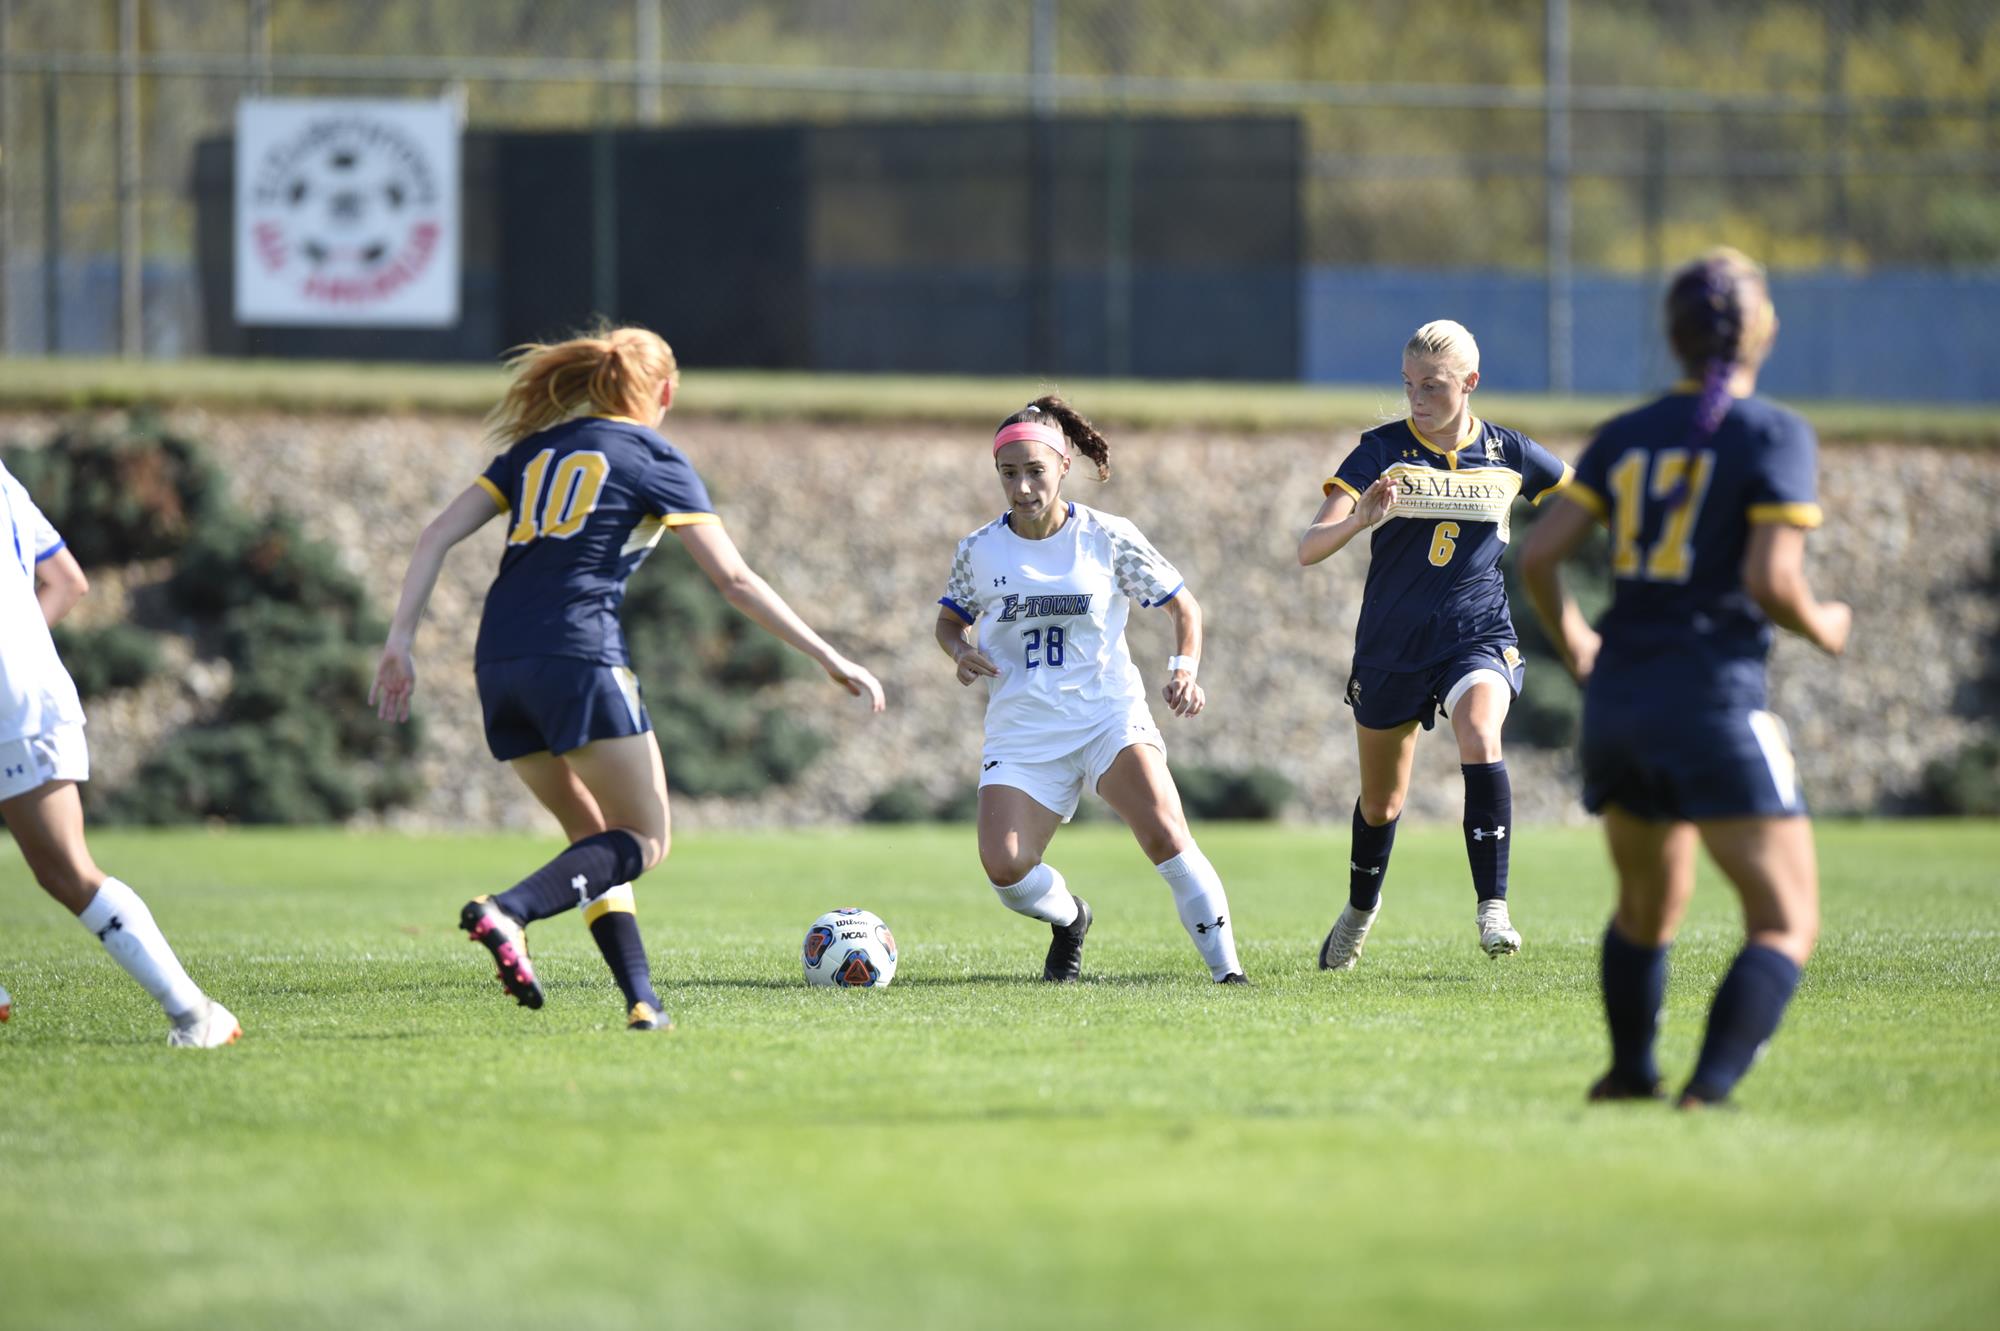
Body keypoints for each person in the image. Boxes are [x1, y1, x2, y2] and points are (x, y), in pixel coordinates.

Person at [373, 325, 884, 1031]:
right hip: (579, 657)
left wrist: (400, 641)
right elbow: (733, 579)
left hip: (498, 663)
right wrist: (831, 655)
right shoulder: (652, 455)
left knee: (594, 842)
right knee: (646, 838)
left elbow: (434, 534)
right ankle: (508, 910)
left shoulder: (534, 450)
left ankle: (643, 1000)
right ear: (664, 391)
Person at [1519, 248, 1849, 1108]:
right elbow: (1774, 583)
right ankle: (1707, 1089)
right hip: (1711, 701)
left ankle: (1630, 1074)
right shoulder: (1774, 431)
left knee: (1644, 907)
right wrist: (1825, 623)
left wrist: (1582, 643)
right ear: (1761, 329)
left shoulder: (1626, 433)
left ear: (1672, 336)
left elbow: (1541, 552)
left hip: (1621, 701)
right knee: (1784, 921)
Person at [936, 396, 1244, 985]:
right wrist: (960, 652)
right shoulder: (979, 550)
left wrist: (1184, 669)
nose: (1022, 487)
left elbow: (1184, 606)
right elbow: (949, 621)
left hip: (1107, 714)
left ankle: (1230, 976)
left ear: (1063, 467)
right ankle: (1072, 918)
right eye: (1009, 473)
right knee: (1005, 869)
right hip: (1023, 728)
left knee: (1166, 836)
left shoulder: (1106, 535)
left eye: (1035, 472)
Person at [1299, 320, 1572, 969]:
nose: (1417, 398)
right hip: (1391, 645)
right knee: (1382, 801)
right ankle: (1360, 910)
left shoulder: (1509, 452)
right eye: (1408, 385)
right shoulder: (1382, 449)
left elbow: (1588, 496)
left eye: (1433, 385)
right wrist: (1360, 517)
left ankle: (1493, 907)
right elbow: (1308, 547)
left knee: (1480, 730)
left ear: (1470, 383)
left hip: (1476, 633)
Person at [0, 459, 239, 1046]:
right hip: (29, 691)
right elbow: (66, 579)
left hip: (16, 708)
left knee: (65, 872)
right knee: (62, 870)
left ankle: (197, 1014)